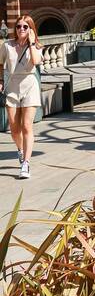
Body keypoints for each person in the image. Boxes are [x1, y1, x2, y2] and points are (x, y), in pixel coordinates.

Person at [0, 16, 43, 179]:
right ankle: (20, 149)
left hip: (30, 85)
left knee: (26, 126)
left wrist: (31, 43)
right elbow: (0, 63)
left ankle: (26, 163)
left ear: (31, 28)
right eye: (18, 26)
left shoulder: (37, 46)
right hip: (12, 86)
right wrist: (0, 80)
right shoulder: (7, 46)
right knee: (13, 127)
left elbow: (35, 61)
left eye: (25, 27)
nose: (21, 29)